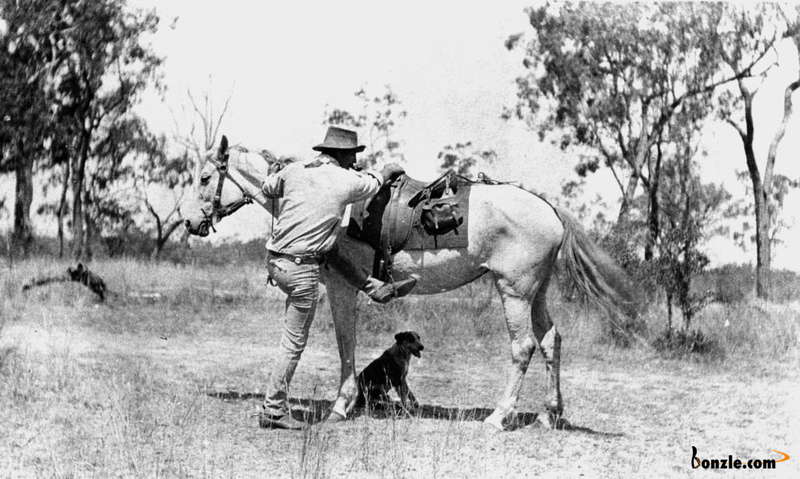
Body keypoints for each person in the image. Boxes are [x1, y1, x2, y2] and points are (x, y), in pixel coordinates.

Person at [257, 126, 416, 429]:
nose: (353, 161)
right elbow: (376, 181)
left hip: (276, 262)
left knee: (331, 246)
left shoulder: (294, 170)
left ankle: (372, 287)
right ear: (343, 156)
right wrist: (388, 169)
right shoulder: (347, 180)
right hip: (301, 270)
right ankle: (273, 409)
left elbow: (268, 187)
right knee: (293, 343)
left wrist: (284, 171)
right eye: (352, 156)